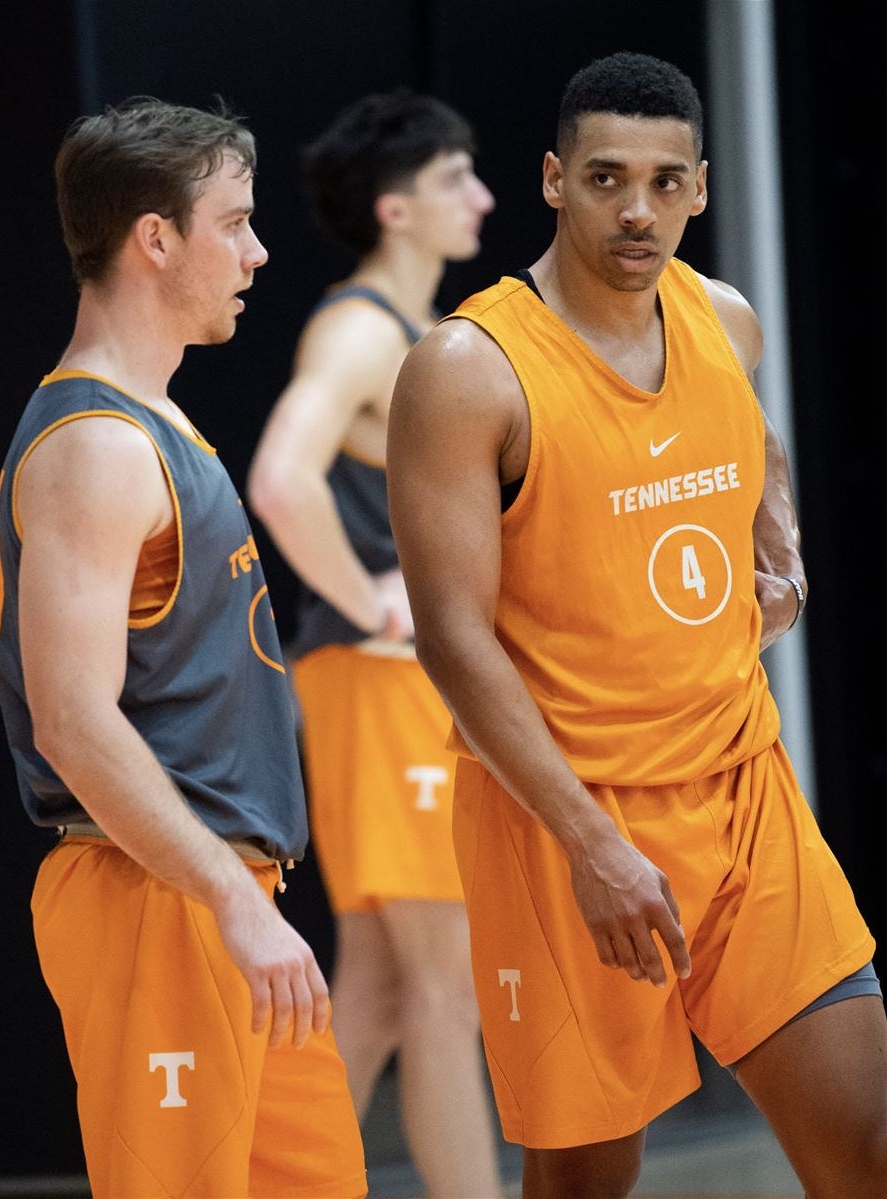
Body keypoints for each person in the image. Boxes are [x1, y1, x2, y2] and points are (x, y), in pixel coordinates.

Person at [386, 51, 886, 1199]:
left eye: (664, 184)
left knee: (860, 1147)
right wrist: (593, 845)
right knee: (580, 1186)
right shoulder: (469, 369)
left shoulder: (722, 319)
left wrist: (785, 561)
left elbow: (753, 444)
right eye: (606, 178)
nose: (636, 209)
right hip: (568, 824)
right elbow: (451, 639)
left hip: (739, 788)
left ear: (700, 190)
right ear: (554, 180)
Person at [0, 97, 367, 1199]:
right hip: (157, 900)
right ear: (154, 238)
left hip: (216, 894)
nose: (256, 250)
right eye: (235, 223)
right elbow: (70, 717)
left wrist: (242, 897)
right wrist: (229, 897)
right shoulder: (95, 446)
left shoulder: (149, 423)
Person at [247, 90, 501, 1198]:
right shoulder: (359, 330)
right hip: (375, 680)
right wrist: (374, 603)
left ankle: (263, 1185)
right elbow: (278, 475)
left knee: (386, 990)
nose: (483, 197)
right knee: (443, 987)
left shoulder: (406, 335)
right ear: (396, 209)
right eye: (457, 178)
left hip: (370, 686)